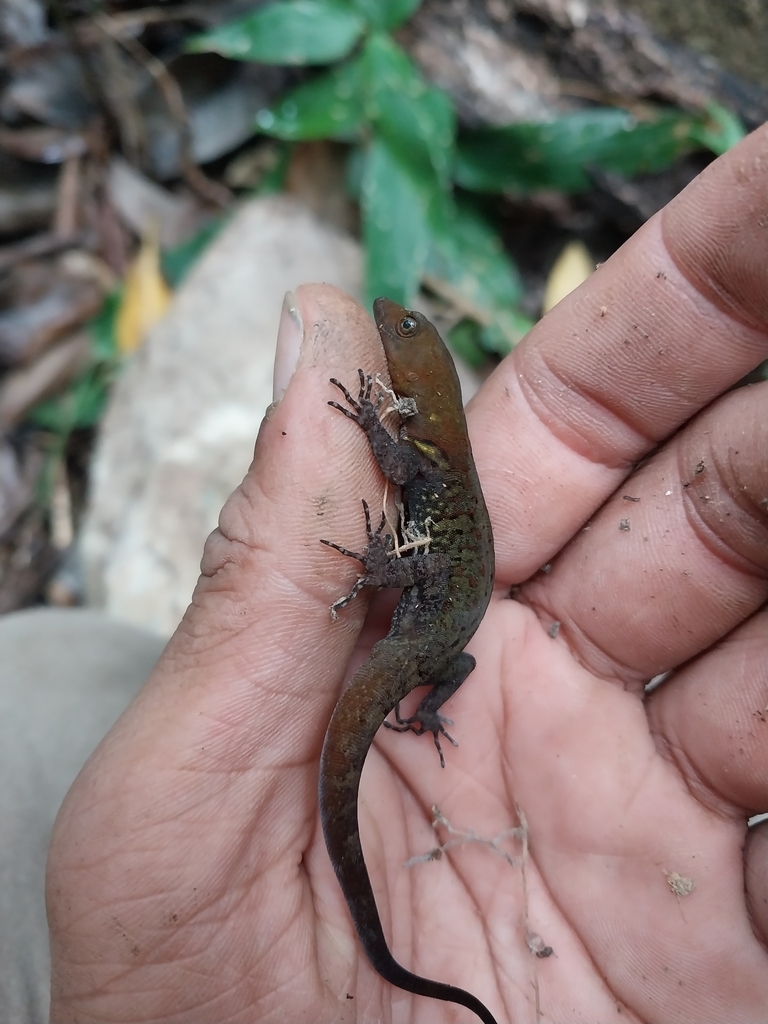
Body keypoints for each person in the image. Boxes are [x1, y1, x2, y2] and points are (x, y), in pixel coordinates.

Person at [43, 125, 767, 1022]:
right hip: (439, 637)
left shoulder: (424, 448)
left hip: (433, 619)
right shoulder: (438, 450)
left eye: (403, 333)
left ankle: (394, 621)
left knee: (50, 666)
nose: (389, 321)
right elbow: (419, 514)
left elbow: (394, 463)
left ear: (419, 398)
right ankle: (415, 721)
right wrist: (424, 705)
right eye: (400, 330)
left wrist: (370, 458)